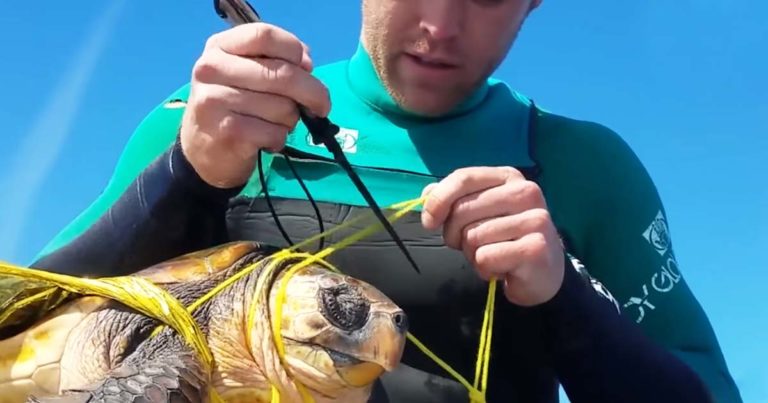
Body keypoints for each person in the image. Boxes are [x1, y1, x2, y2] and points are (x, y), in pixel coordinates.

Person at [31, 0, 741, 402]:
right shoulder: (214, 118)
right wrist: (186, 175)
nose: (441, 26)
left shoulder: (585, 167)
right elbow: (26, 321)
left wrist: (564, 299)